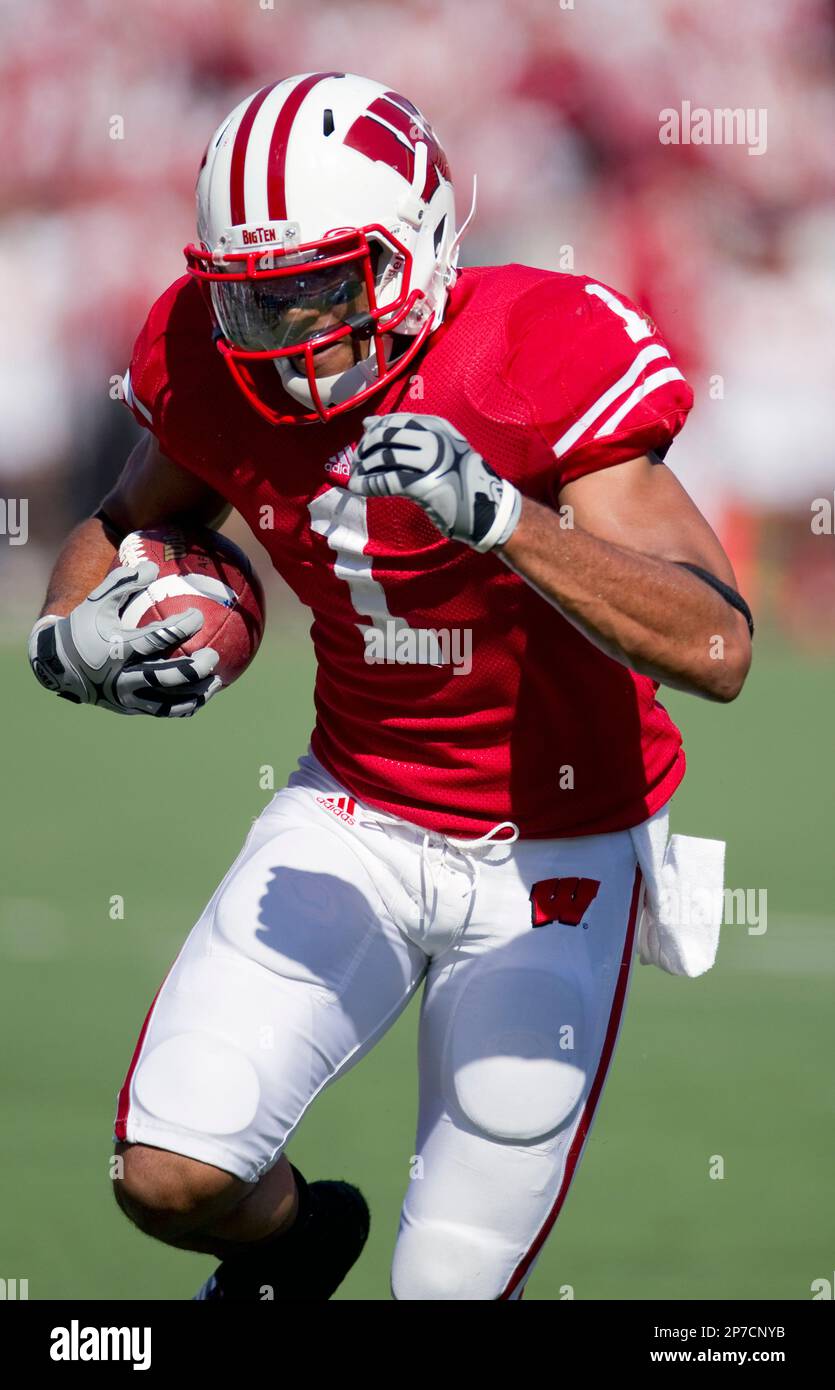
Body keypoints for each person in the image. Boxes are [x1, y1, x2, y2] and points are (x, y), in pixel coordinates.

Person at [27, 72, 753, 1301]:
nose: (283, 329)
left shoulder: (537, 346)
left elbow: (717, 644)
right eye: (251, 297)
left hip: (557, 854)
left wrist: (503, 517)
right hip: (352, 810)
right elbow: (122, 519)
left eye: (319, 284)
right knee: (170, 1174)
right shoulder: (210, 357)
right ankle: (299, 1250)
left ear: (416, 246)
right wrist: (64, 635)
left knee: (445, 1288)